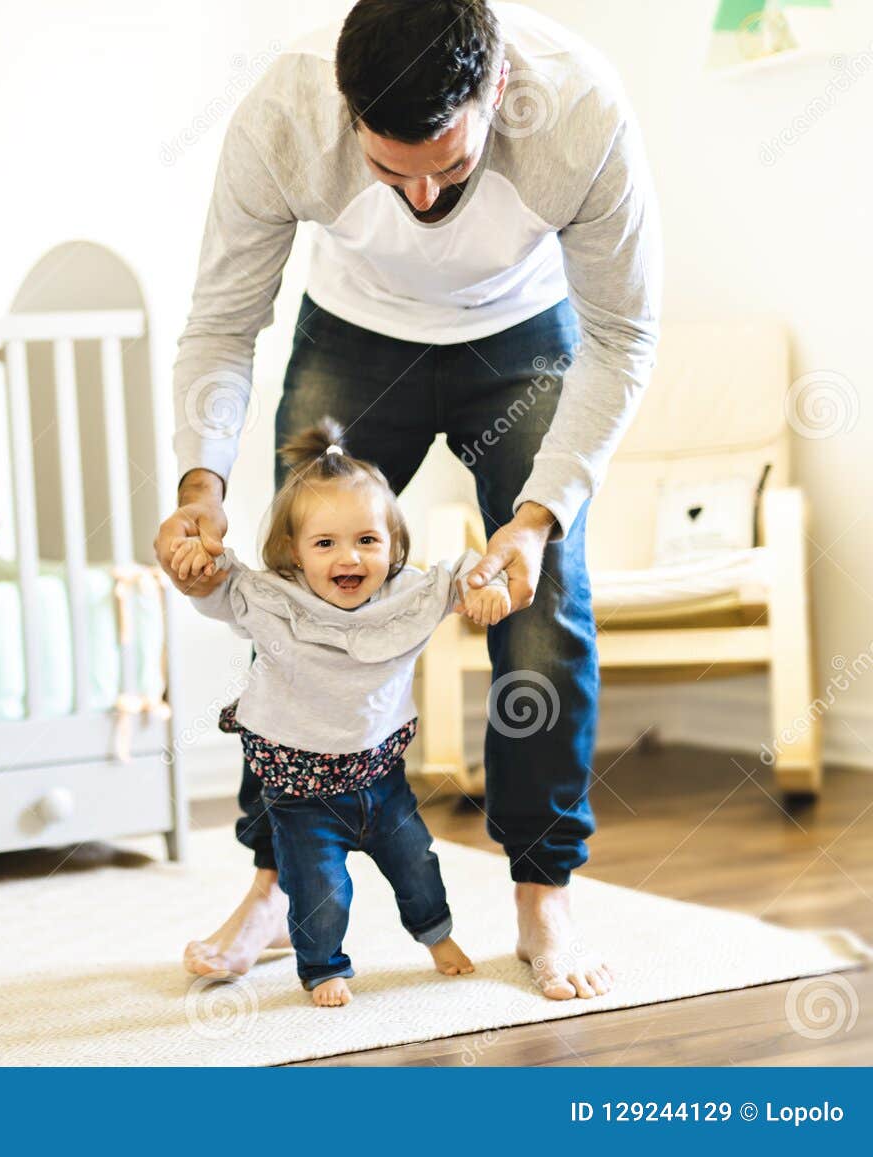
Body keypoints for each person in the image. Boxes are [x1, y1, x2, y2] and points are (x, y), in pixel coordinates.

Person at [156, 0, 661, 1001]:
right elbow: (220, 320)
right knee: (293, 600)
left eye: (449, 166)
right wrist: (200, 483)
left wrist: (535, 519)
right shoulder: (285, 112)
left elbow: (623, 337)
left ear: (498, 90)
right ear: (347, 113)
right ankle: (277, 880)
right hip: (354, 333)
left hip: (522, 334)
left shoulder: (580, 111)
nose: (423, 197)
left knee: (544, 601)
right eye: (392, 171)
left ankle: (542, 890)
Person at [173, 418, 506, 1004]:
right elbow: (216, 589)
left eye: (367, 541)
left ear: (393, 545)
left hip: (382, 782)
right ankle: (323, 968)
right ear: (293, 552)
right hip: (300, 793)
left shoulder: (409, 595)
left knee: (418, 866)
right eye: (325, 544)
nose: (348, 557)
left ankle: (437, 936)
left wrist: (487, 586)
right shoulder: (274, 598)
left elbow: (464, 572)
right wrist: (194, 567)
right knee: (320, 891)